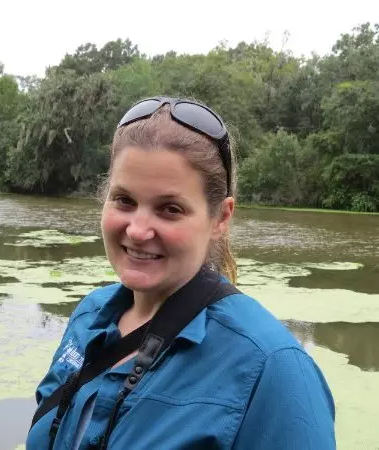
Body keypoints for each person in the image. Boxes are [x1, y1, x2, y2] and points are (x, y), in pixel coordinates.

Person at [26, 97, 335, 450]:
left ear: (220, 218)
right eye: (124, 200)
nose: (138, 230)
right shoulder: (89, 316)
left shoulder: (273, 370)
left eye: (170, 209)